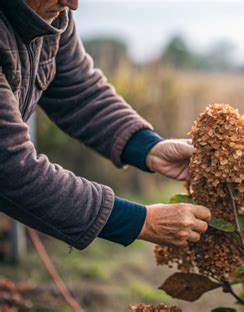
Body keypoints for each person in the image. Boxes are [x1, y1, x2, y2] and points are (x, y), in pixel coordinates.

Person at [0, 0, 212, 250]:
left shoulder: (53, 15)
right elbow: (9, 165)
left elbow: (78, 91)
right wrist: (141, 221)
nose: (73, 4)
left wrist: (149, 148)